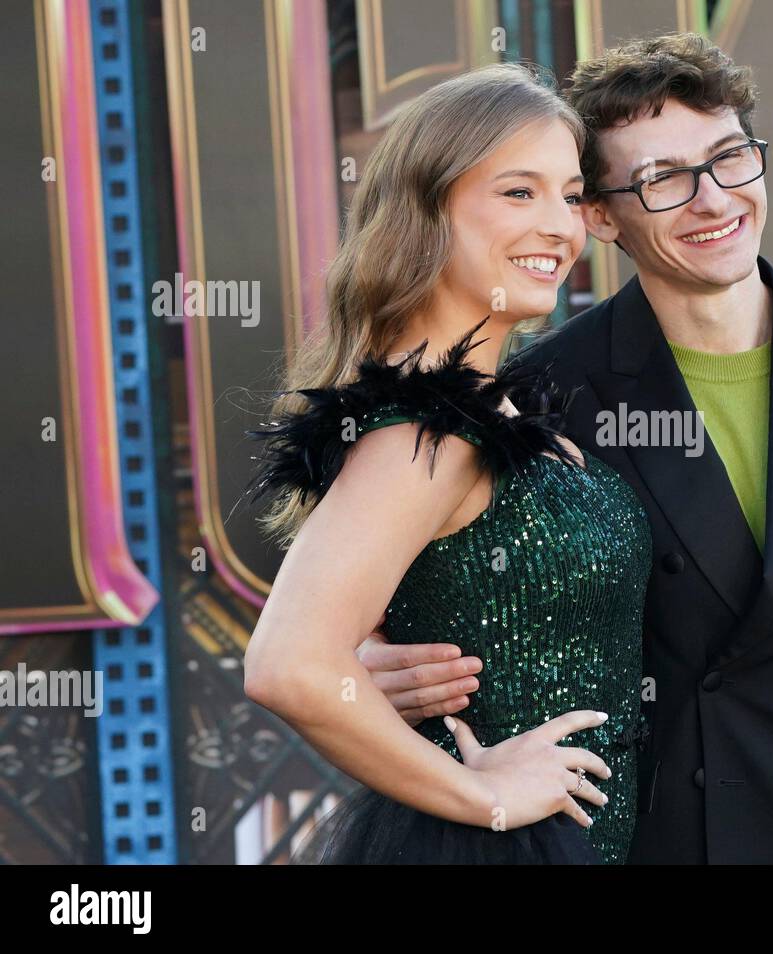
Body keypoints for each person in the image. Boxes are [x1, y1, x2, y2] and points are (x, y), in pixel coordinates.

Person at [365, 33, 773, 863]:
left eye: (729, 159)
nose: (713, 200)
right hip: (670, 843)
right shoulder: (543, 394)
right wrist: (371, 659)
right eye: (662, 180)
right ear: (600, 215)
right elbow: (424, 589)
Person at [242, 62, 652, 865]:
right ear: (427, 210)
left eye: (571, 196)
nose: (561, 227)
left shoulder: (488, 411)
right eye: (518, 192)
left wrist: (367, 666)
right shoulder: (427, 431)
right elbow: (287, 664)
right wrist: (488, 797)